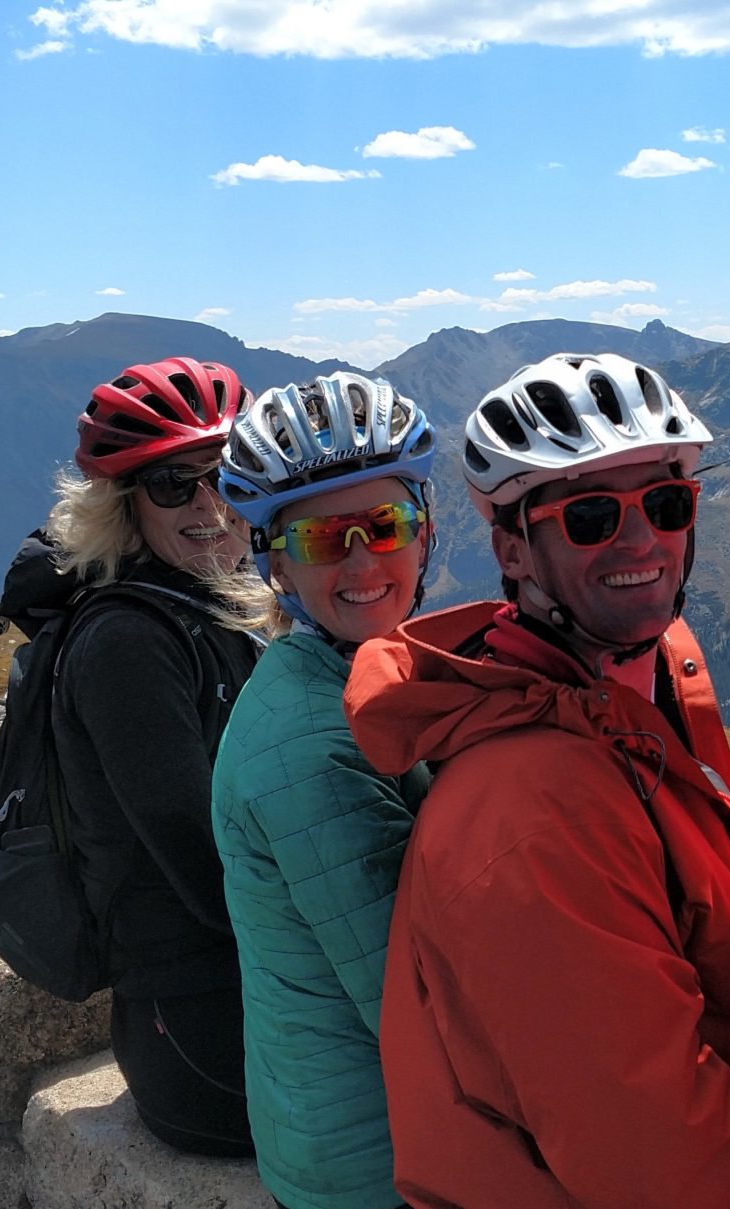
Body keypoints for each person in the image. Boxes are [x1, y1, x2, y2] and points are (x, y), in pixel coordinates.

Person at [344, 353, 730, 1208]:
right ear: (512, 548)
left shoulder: (661, 669)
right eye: (592, 516)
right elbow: (664, 1161)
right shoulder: (528, 818)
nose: (641, 540)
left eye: (666, 505)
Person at [210, 373, 438, 1209]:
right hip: (375, 1168)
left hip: (344, 1134)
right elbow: (419, 1007)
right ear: (275, 563)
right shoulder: (313, 747)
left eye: (386, 524)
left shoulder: (341, 676)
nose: (362, 559)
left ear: (425, 529)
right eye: (320, 538)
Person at [40, 356, 263, 1156]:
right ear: (127, 503)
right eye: (175, 483)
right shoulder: (129, 645)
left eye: (228, 477)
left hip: (241, 1003)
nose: (209, 506)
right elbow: (211, 873)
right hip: (205, 1041)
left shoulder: (218, 607)